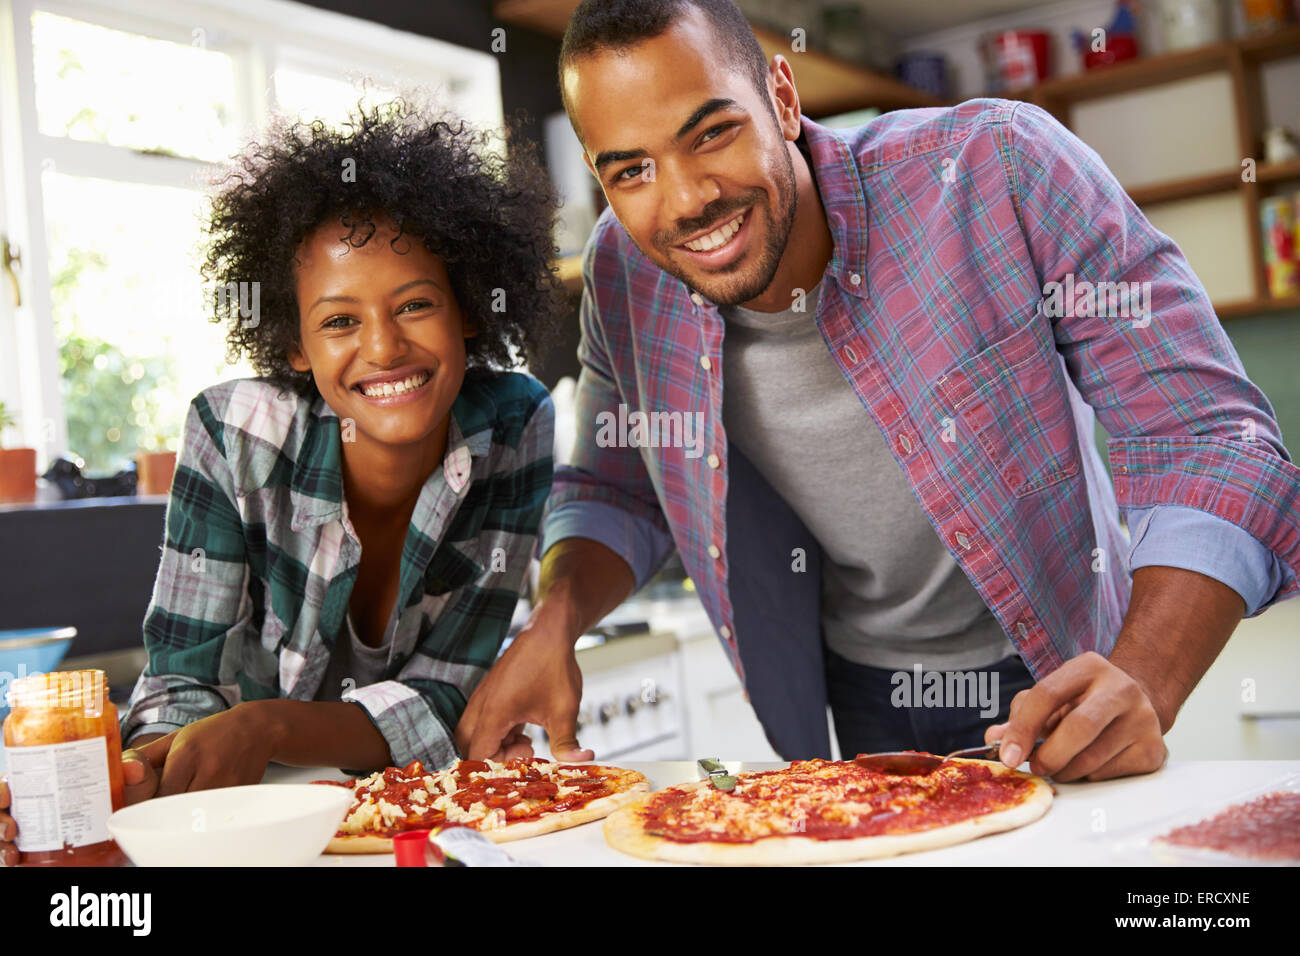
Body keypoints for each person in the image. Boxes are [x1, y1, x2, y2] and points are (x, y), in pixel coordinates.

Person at [456, 0, 1298, 781]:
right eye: (630, 170)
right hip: (860, 694)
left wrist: (1145, 677)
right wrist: (555, 622)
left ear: (782, 98)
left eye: (712, 133)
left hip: (1067, 668)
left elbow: (1209, 439)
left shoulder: (999, 169)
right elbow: (616, 489)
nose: (685, 199)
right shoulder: (621, 270)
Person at [1, 100, 564, 866]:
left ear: (467, 307)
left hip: (417, 819)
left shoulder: (514, 425)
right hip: (250, 825)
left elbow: (448, 694)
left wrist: (266, 725)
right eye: (338, 322)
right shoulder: (234, 431)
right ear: (293, 345)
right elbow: (180, 681)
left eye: (417, 304)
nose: (384, 346)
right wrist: (144, 780)